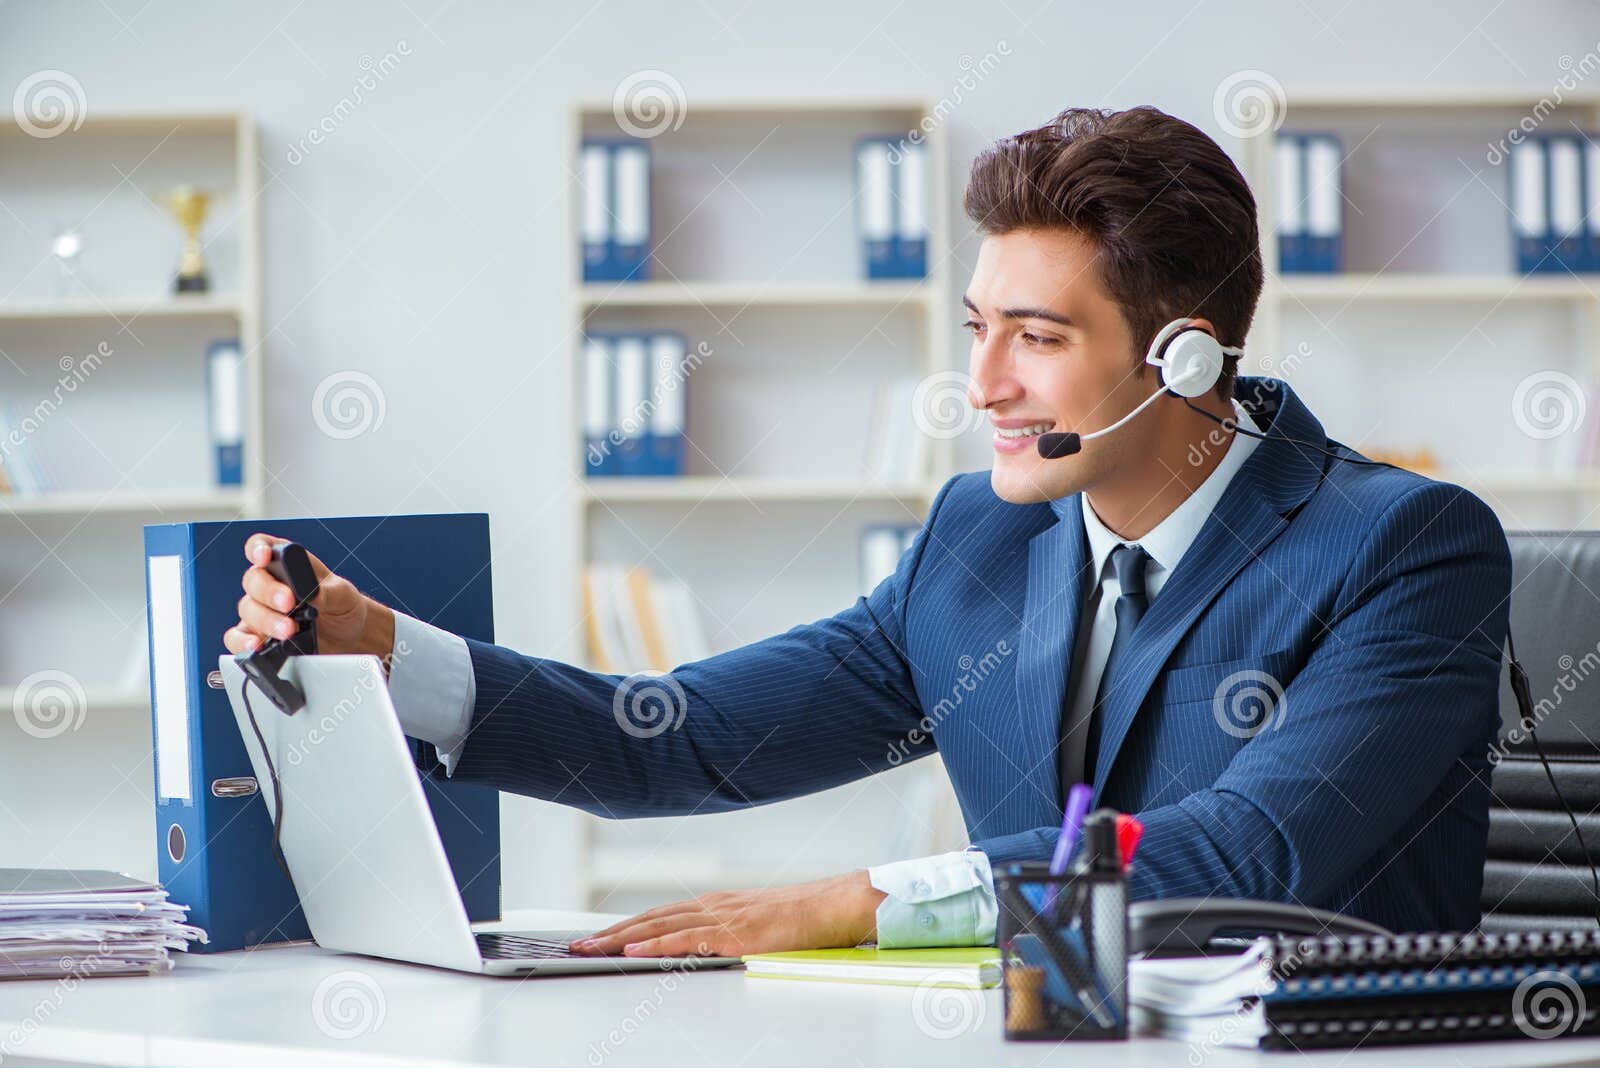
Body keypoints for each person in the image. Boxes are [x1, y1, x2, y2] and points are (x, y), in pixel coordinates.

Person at [225, 106, 1510, 957]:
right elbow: (683, 742)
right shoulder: (984, 540)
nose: (984, 382)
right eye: (978, 328)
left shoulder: (1401, 548)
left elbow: (1248, 849)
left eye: (1039, 338)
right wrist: (395, 652)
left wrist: (856, 902)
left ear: (1181, 360)